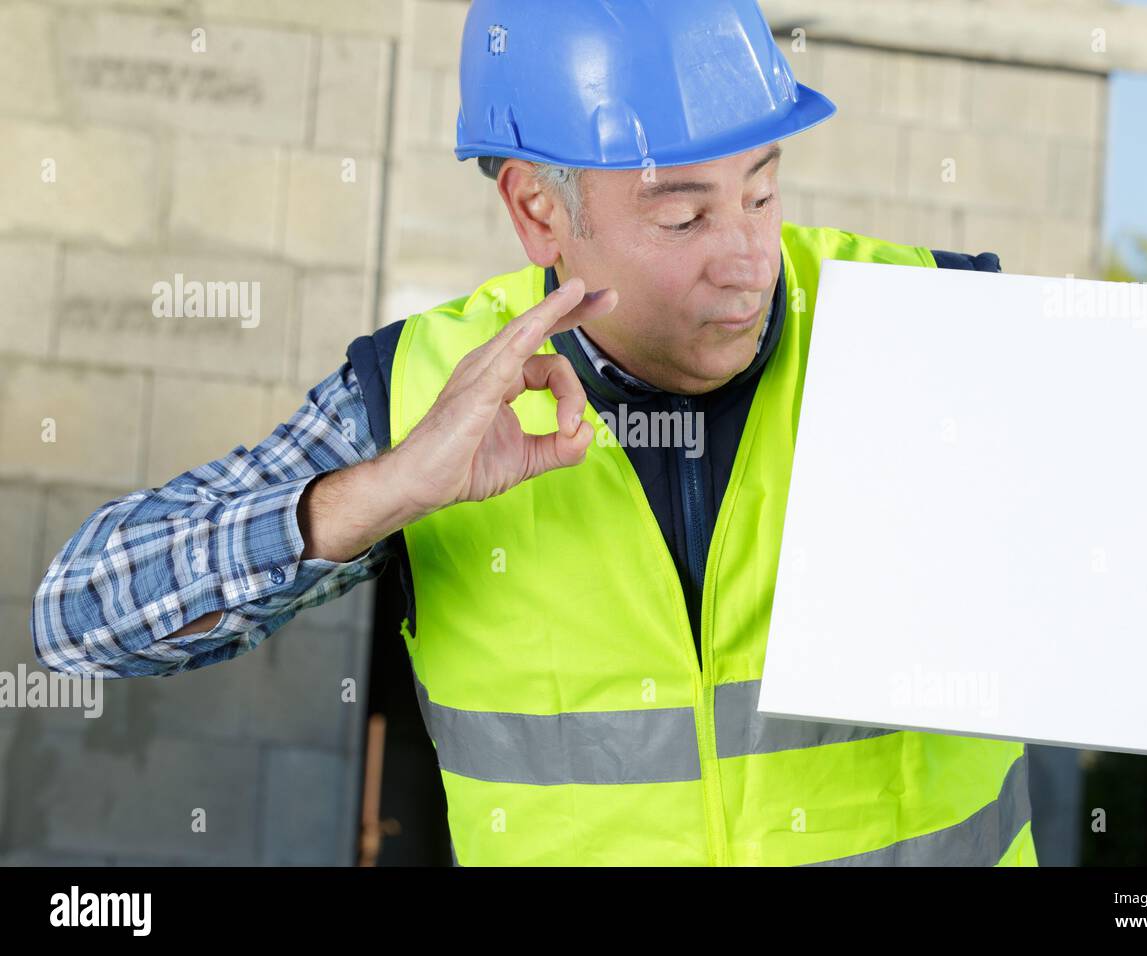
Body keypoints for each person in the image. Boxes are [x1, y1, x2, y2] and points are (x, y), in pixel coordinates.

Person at [32, 0, 1035, 866]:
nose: (745, 259)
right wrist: (386, 490)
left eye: (762, 191)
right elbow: (78, 615)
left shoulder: (932, 321)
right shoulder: (417, 391)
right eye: (682, 219)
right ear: (535, 211)